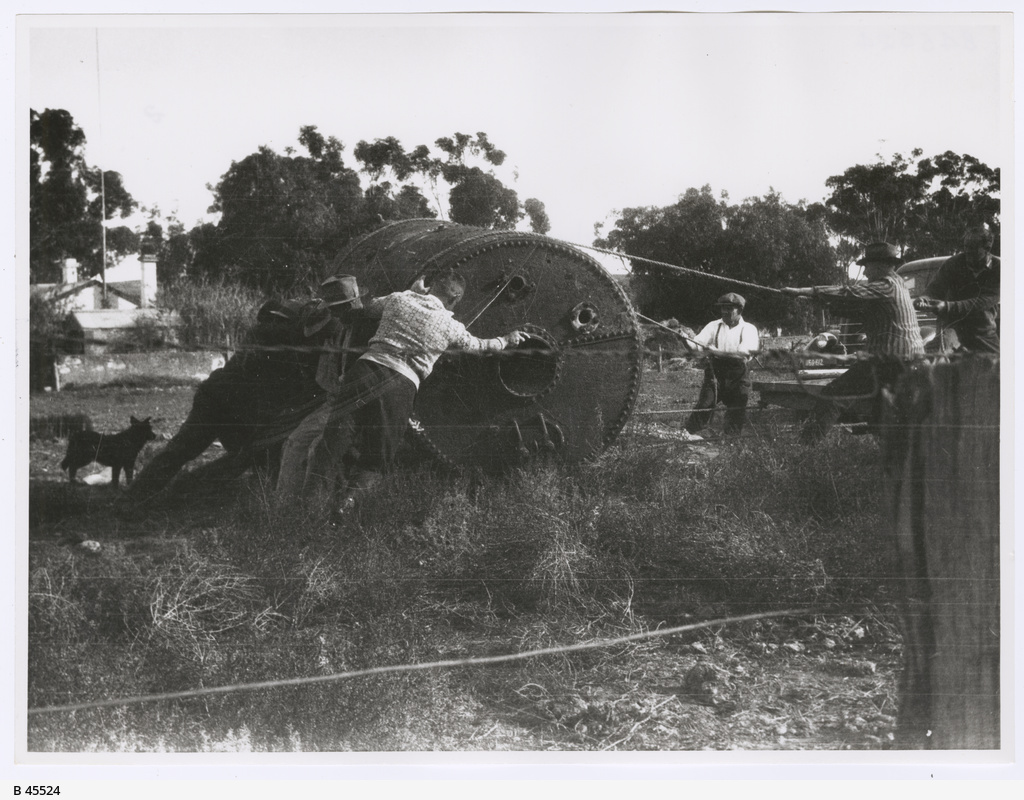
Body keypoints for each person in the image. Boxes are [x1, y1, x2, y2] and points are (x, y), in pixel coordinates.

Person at [275, 268, 527, 514]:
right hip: (400, 386)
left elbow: (368, 309)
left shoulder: (398, 298)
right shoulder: (452, 327)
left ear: (431, 285)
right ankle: (343, 508)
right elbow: (481, 346)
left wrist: (410, 291)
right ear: (455, 298)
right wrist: (507, 340)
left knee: (330, 445)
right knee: (376, 459)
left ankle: (302, 512)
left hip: (364, 371)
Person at [126, 276, 363, 502]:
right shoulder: (279, 341)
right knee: (238, 454)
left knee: (205, 454)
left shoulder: (276, 337)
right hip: (226, 402)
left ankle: (154, 496)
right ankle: (165, 495)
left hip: (225, 398)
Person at [782, 241, 925, 443]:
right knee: (883, 412)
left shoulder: (887, 285)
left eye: (867, 266)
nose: (865, 272)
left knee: (833, 395)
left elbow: (849, 293)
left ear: (882, 265)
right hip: (906, 362)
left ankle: (805, 447)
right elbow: (856, 308)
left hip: (890, 361)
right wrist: (822, 301)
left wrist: (805, 291)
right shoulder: (900, 286)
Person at [683, 292, 760, 438]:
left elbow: (741, 355)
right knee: (704, 406)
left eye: (729, 309)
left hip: (738, 375)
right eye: (723, 308)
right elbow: (696, 347)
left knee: (736, 412)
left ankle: (730, 443)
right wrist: (684, 340)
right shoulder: (714, 326)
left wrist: (715, 352)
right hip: (716, 373)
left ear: (740, 310)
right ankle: (687, 436)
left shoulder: (749, 329)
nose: (725, 312)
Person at [914, 224, 1000, 354]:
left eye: (973, 248)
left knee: (996, 368)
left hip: (983, 331)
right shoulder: (953, 263)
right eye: (966, 247)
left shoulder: (998, 268)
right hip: (951, 328)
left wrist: (947, 307)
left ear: (987, 248)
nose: (968, 252)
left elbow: (984, 301)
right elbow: (936, 287)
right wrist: (924, 298)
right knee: (945, 365)